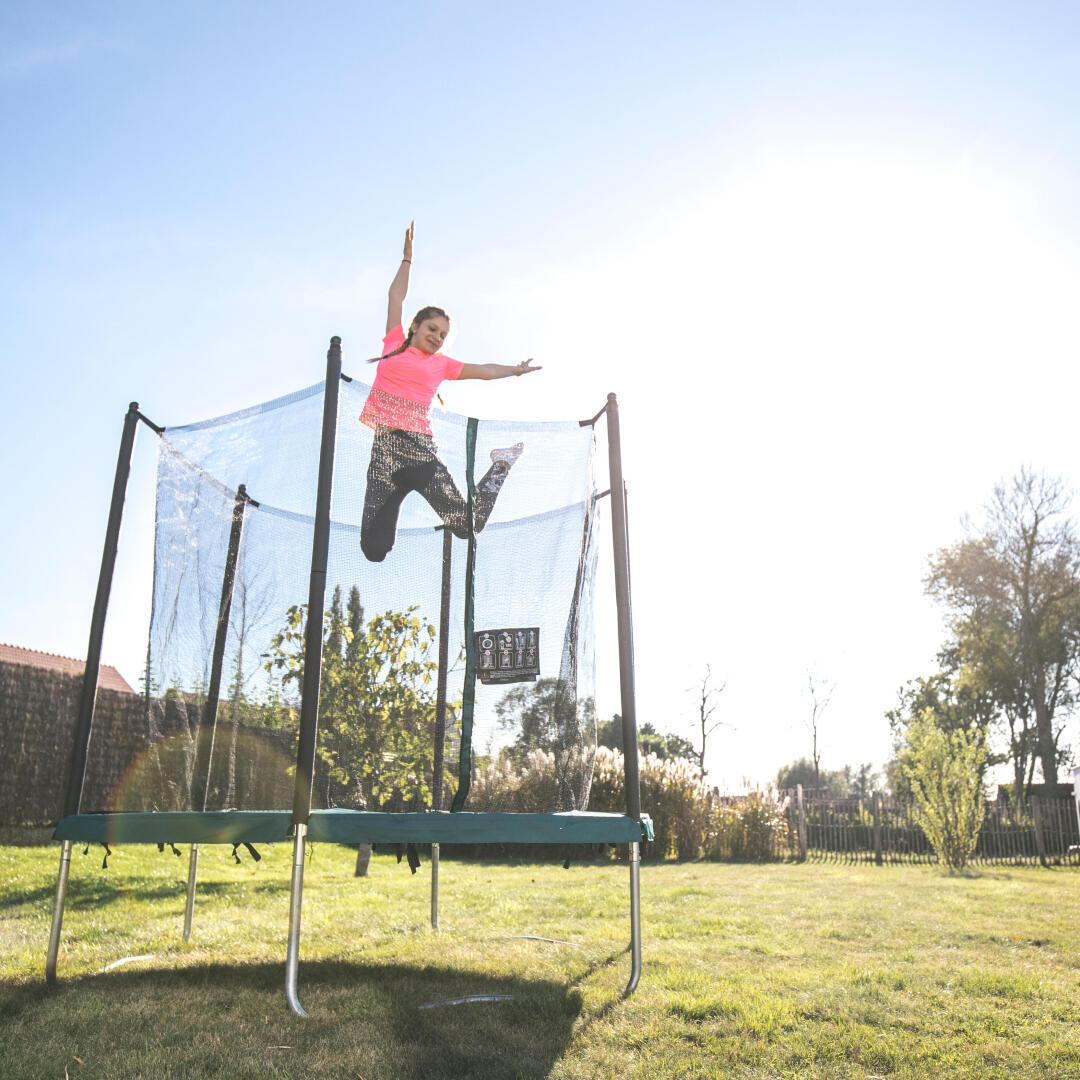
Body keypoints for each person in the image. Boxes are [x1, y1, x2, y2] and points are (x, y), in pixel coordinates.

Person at [360, 223, 541, 562]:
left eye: (443, 335)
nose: (437, 337)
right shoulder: (393, 344)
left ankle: (501, 463)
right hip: (384, 453)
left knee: (467, 526)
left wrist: (516, 369)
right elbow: (395, 297)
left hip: (419, 452)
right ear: (415, 326)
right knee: (374, 549)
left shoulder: (441, 364)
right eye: (432, 329)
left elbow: (485, 371)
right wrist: (407, 259)